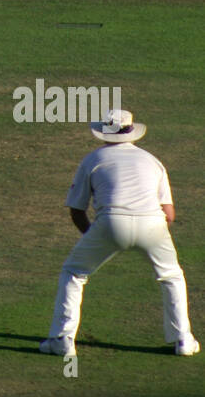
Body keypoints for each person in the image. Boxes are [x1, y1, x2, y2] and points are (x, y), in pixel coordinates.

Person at [40, 110, 199, 358]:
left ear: (104, 133)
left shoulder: (93, 159)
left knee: (74, 272)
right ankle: (184, 340)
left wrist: (95, 236)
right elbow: (169, 215)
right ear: (131, 131)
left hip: (110, 223)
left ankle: (62, 339)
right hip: (153, 224)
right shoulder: (152, 161)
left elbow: (76, 209)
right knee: (171, 276)